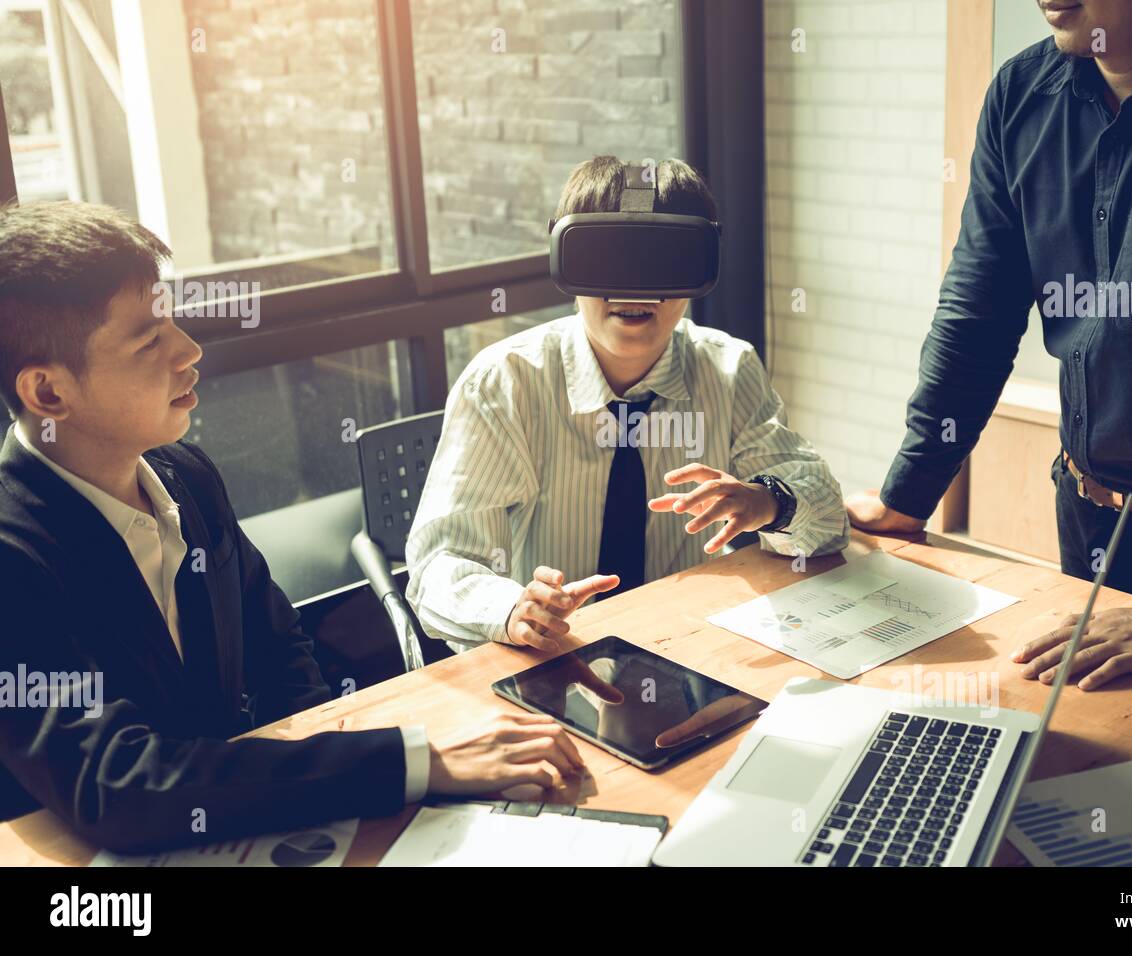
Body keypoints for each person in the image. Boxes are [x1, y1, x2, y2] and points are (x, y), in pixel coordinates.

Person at [0, 201, 583, 852]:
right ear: (48, 393)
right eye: (148, 341)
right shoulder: (12, 553)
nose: (190, 350)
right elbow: (119, 786)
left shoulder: (185, 476)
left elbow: (280, 651)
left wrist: (340, 807)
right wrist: (412, 763)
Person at [847, 0, 1132, 690]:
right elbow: (977, 312)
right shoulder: (1020, 93)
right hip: (1087, 506)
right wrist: (909, 492)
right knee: (1087, 747)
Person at [406, 156, 849, 653]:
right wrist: (510, 609)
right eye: (608, 258)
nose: (635, 290)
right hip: (552, 657)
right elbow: (438, 567)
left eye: (663, 262)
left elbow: (831, 522)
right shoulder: (503, 384)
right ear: (563, 258)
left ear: (701, 265)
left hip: (693, 650)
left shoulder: (729, 369)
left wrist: (768, 500)